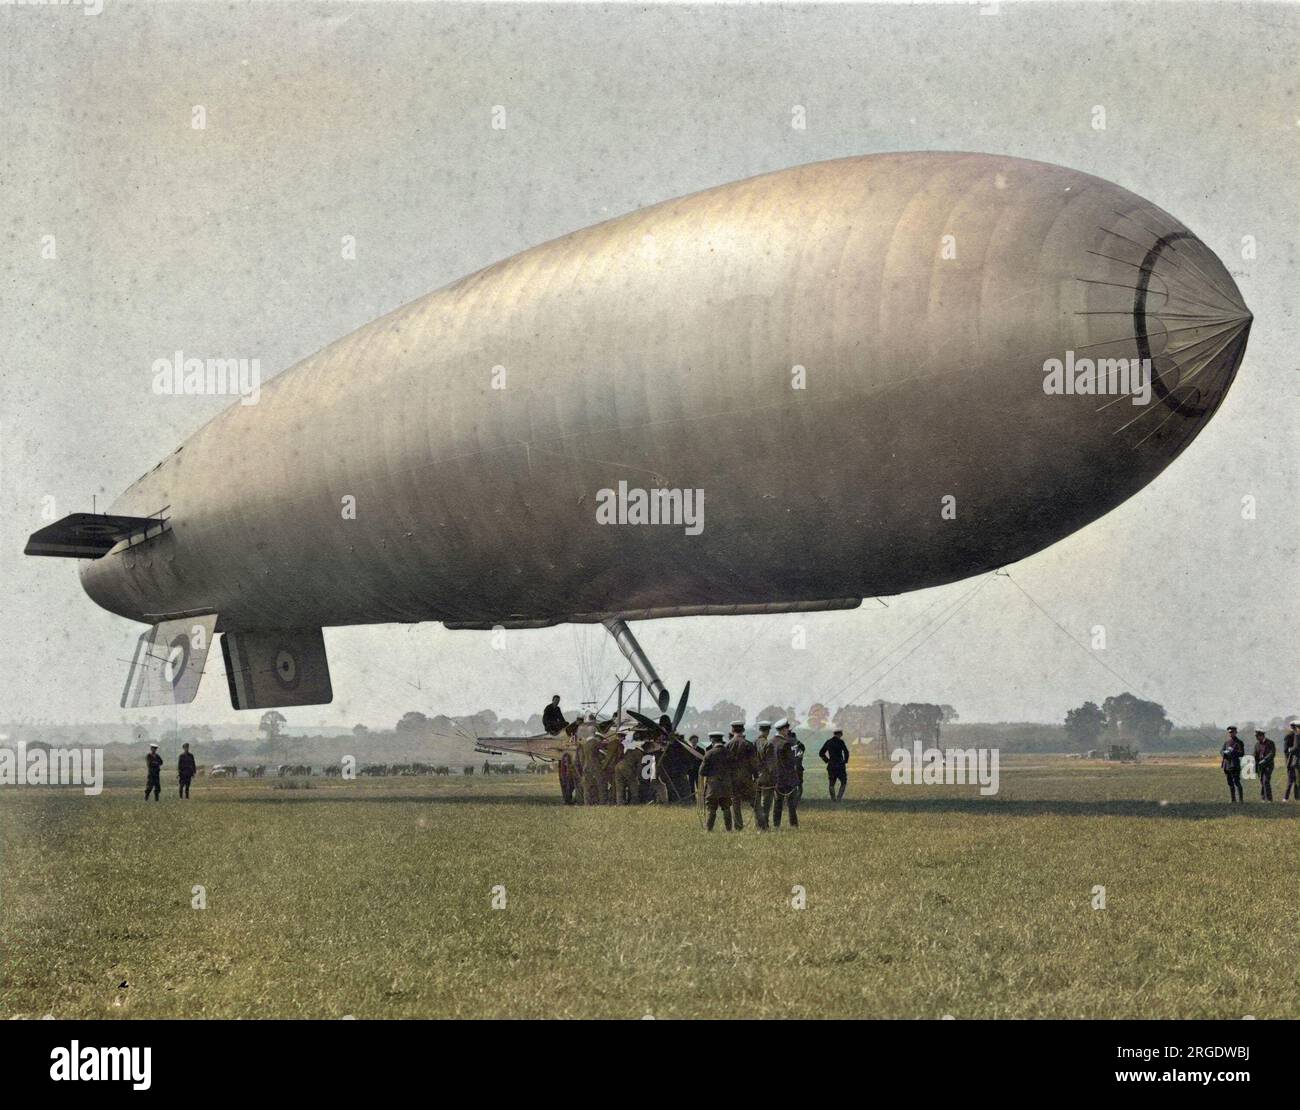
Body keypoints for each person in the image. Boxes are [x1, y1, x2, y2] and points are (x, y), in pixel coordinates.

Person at [724, 720, 757, 830]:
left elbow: (726, 764)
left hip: (733, 779)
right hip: (747, 778)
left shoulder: (727, 745)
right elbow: (754, 763)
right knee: (755, 802)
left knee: (735, 803)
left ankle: (738, 826)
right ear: (743, 730)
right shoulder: (748, 744)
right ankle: (762, 825)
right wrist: (756, 776)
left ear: (732, 730)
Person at [699, 731, 733, 831]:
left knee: (712, 808)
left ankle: (709, 829)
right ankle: (729, 829)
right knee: (726, 807)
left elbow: (702, 771)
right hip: (726, 784)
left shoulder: (709, 753)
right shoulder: (729, 753)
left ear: (712, 740)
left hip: (713, 786)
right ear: (721, 740)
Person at [771, 719, 800, 828]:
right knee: (791, 804)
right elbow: (791, 762)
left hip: (775, 777)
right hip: (787, 778)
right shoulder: (786, 744)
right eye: (787, 728)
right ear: (783, 729)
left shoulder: (771, 741)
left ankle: (776, 825)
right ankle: (793, 824)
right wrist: (795, 752)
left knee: (777, 803)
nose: (788, 730)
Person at [754, 721, 776, 830]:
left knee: (757, 802)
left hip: (756, 776)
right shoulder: (769, 744)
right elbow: (771, 765)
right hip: (766, 777)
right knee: (766, 803)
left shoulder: (754, 742)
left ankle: (758, 824)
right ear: (768, 731)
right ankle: (765, 825)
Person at [819, 728, 850, 801]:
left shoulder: (828, 742)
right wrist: (845, 761)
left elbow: (821, 753)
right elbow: (846, 752)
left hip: (831, 765)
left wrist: (827, 760)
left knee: (831, 783)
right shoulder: (841, 742)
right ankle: (839, 798)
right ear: (840, 734)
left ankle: (833, 799)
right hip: (840, 765)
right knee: (843, 782)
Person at [613, 729, 642, 805]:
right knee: (633, 783)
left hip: (618, 765)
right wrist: (638, 777)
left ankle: (620, 802)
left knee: (620, 785)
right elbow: (639, 767)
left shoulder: (629, 750)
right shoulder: (639, 753)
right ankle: (634, 802)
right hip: (626, 767)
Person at [1221, 726, 1244, 804]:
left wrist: (1233, 751)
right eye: (1230, 732)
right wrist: (1224, 752)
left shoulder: (1239, 742)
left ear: (1236, 732)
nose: (1231, 734)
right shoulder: (1226, 742)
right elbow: (1221, 751)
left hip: (1234, 765)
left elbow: (1241, 753)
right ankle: (1233, 799)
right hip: (1226, 765)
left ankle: (1240, 800)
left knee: (1237, 782)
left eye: (1232, 732)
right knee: (1230, 783)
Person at [1253, 729, 1276, 802]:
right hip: (1260, 766)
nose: (1256, 738)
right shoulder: (1257, 744)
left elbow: (1272, 753)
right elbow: (1255, 754)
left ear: (1262, 735)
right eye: (1256, 736)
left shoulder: (1270, 743)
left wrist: (1265, 760)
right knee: (1262, 782)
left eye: (1257, 736)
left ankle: (1269, 799)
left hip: (1268, 765)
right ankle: (1263, 798)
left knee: (1266, 781)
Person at [1285, 722, 1300, 802]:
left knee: (1297, 780)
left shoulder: (1297, 736)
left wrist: (1290, 749)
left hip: (1297, 761)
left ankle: (1297, 797)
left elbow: (1295, 747)